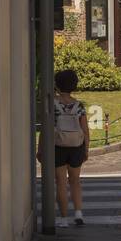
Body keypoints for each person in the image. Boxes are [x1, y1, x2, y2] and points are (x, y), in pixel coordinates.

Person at [37, 68, 90, 228]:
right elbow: (85, 130)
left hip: (58, 146)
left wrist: (40, 149)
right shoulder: (79, 106)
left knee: (60, 182)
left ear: (57, 85)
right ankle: (79, 213)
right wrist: (86, 149)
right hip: (76, 146)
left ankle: (64, 218)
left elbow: (46, 129)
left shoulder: (53, 105)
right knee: (75, 181)